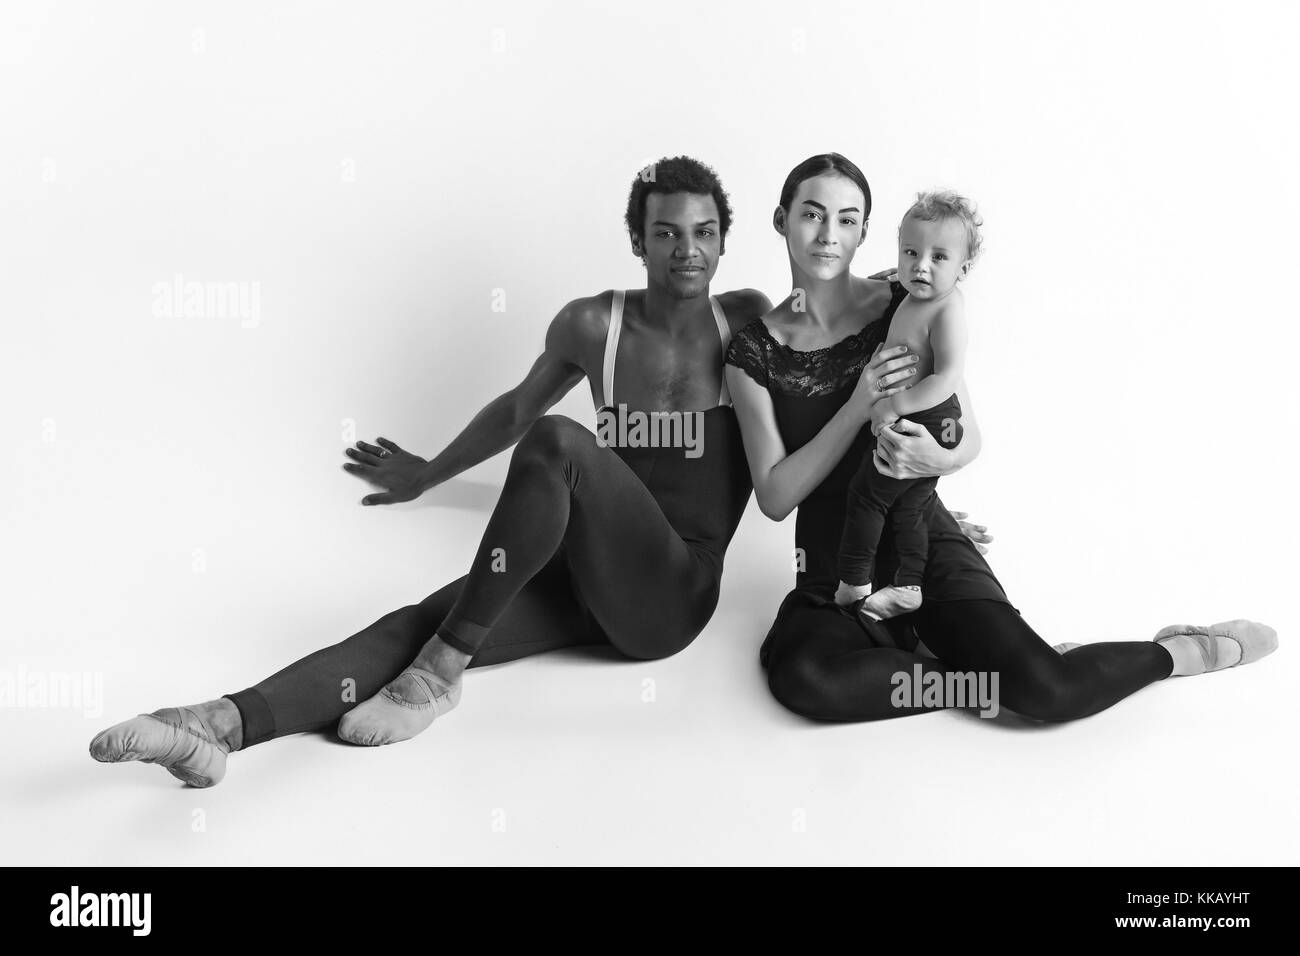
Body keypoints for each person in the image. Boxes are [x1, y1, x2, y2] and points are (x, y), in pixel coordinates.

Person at [88, 155, 771, 786]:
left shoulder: (745, 320)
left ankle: (444, 673)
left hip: (671, 598)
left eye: (705, 233)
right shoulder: (593, 324)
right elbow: (515, 411)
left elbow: (826, 350)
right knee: (417, 621)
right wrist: (427, 476)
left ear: (723, 240)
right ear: (637, 240)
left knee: (560, 443)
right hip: (586, 577)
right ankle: (215, 727)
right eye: (668, 233)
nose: (689, 251)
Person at [723, 152, 1277, 723]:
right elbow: (774, 495)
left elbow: (968, 440)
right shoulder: (752, 351)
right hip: (836, 567)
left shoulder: (905, 300)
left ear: (865, 231)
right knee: (806, 681)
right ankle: (976, 681)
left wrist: (935, 459)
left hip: (921, 539)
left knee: (1048, 694)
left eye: (846, 219)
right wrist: (860, 404)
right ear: (781, 219)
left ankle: (1182, 650)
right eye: (812, 215)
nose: (827, 235)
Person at [834, 190, 980, 623]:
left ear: (963, 268)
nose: (920, 265)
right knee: (911, 506)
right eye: (911, 252)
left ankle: (853, 582)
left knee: (867, 495)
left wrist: (893, 405)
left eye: (939, 257)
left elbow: (947, 378)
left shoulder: (946, 308)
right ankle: (909, 586)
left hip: (924, 416)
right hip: (919, 413)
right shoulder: (910, 294)